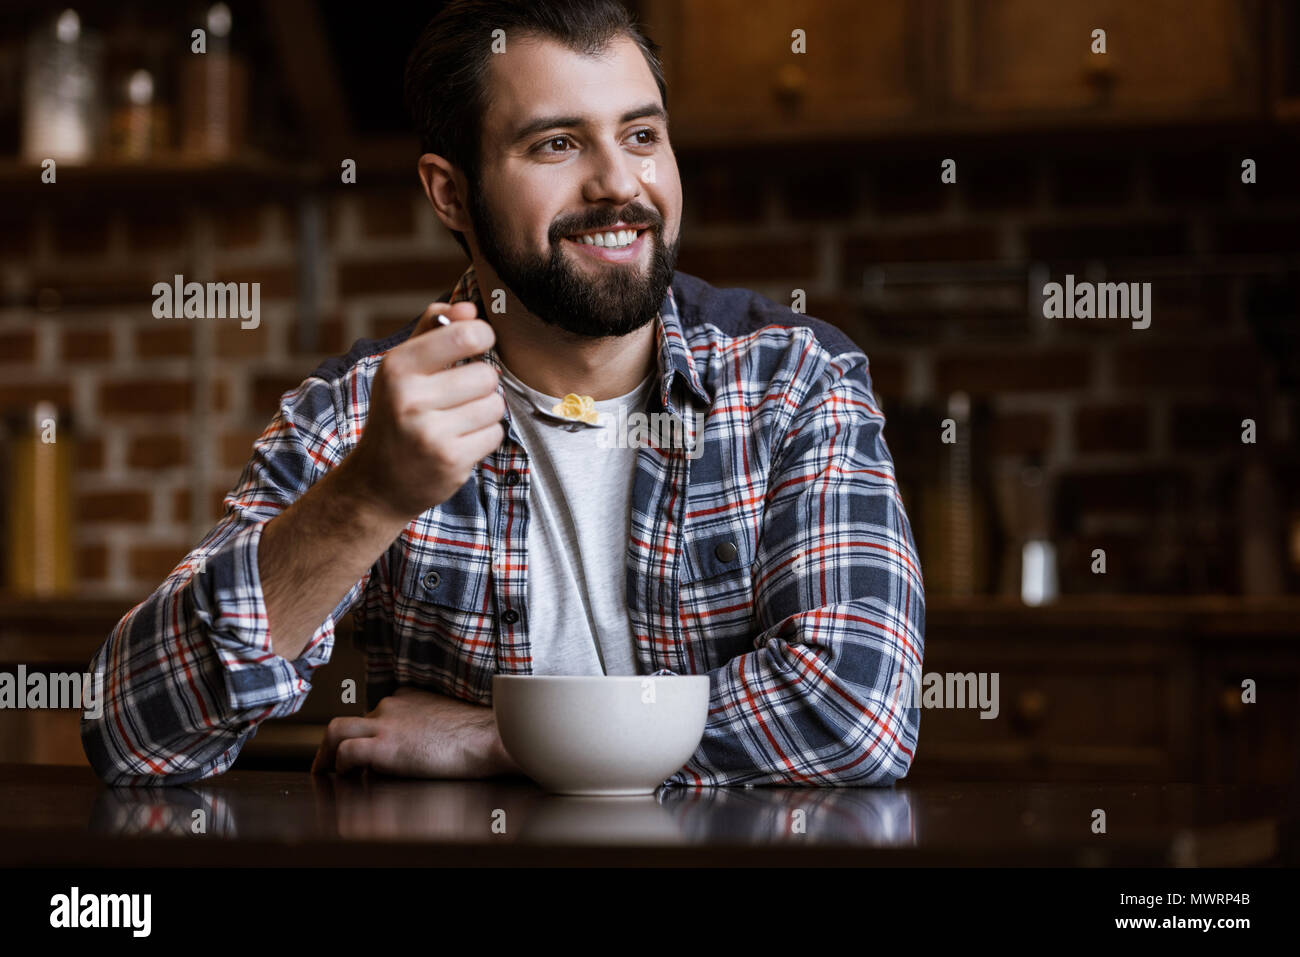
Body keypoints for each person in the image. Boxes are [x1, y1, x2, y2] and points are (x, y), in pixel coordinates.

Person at [82, 0, 924, 788]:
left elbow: (858, 713)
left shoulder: (793, 381)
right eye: (557, 144)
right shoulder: (361, 415)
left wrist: (502, 739)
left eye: (640, 134)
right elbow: (133, 735)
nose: (618, 185)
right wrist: (368, 498)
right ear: (450, 192)